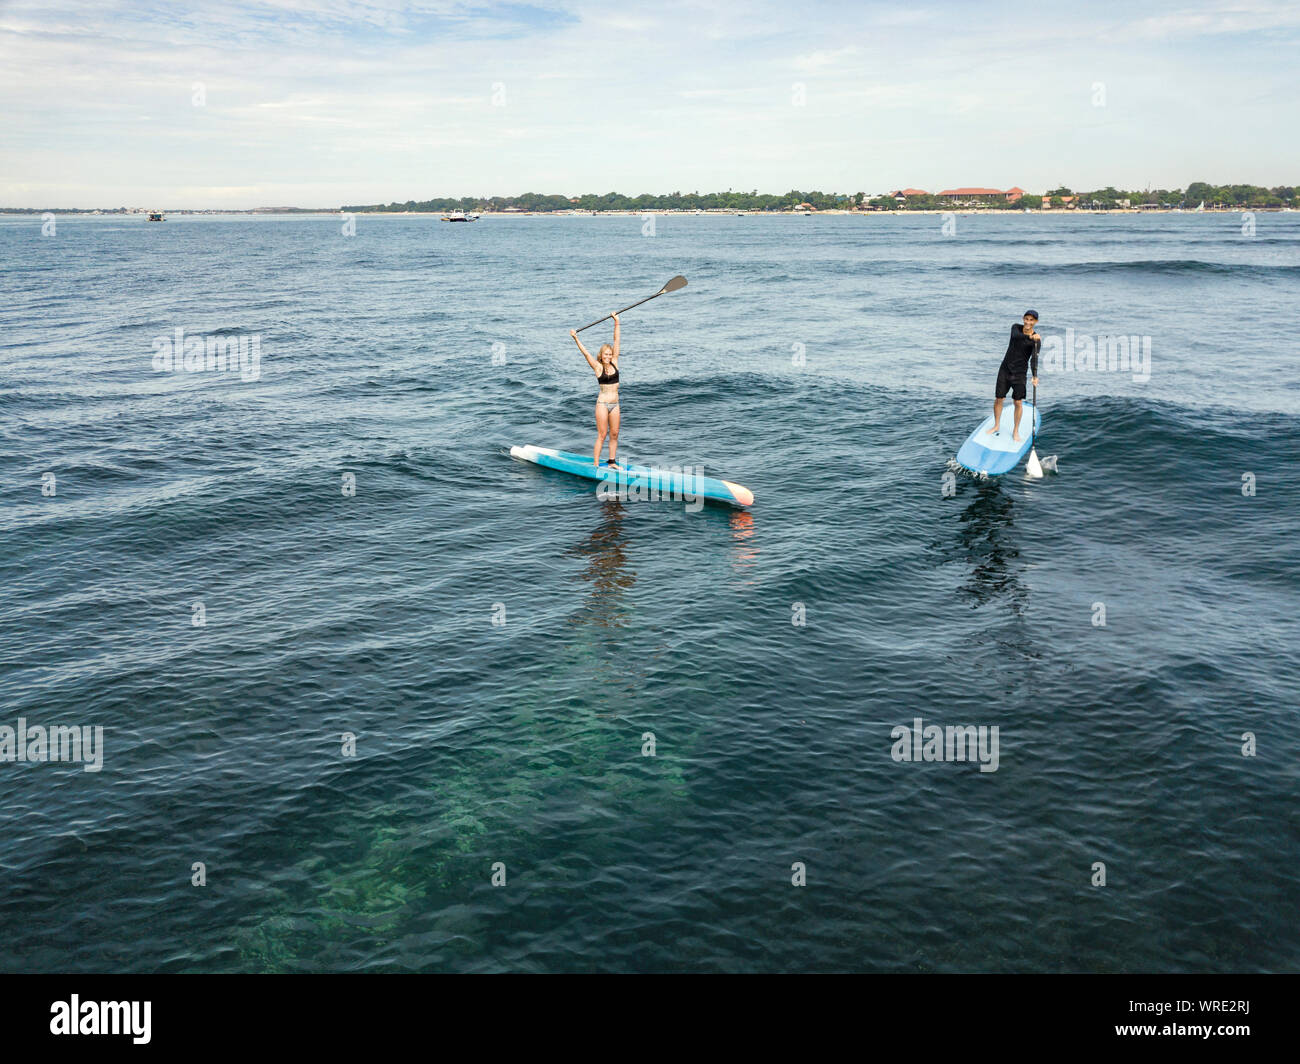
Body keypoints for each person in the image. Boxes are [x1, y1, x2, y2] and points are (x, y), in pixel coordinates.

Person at [570, 313, 621, 467]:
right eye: (606, 354)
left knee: (614, 434)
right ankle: (596, 464)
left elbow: (616, 341)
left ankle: (611, 461)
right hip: (603, 404)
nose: (609, 356)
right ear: (601, 355)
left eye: (610, 354)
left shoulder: (615, 362)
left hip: (615, 405)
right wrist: (575, 338)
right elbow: (585, 353)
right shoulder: (598, 367)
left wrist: (617, 322)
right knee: (602, 435)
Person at [987, 310, 1040, 442]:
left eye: (1031, 320)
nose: (1028, 322)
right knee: (999, 398)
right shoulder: (1015, 328)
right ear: (1023, 319)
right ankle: (996, 425)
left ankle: (1015, 431)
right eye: (1026, 319)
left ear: (1035, 322)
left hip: (1020, 373)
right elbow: (1016, 336)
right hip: (1005, 369)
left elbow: (1034, 359)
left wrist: (1035, 376)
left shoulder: (1036, 341)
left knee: (1018, 402)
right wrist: (1030, 337)